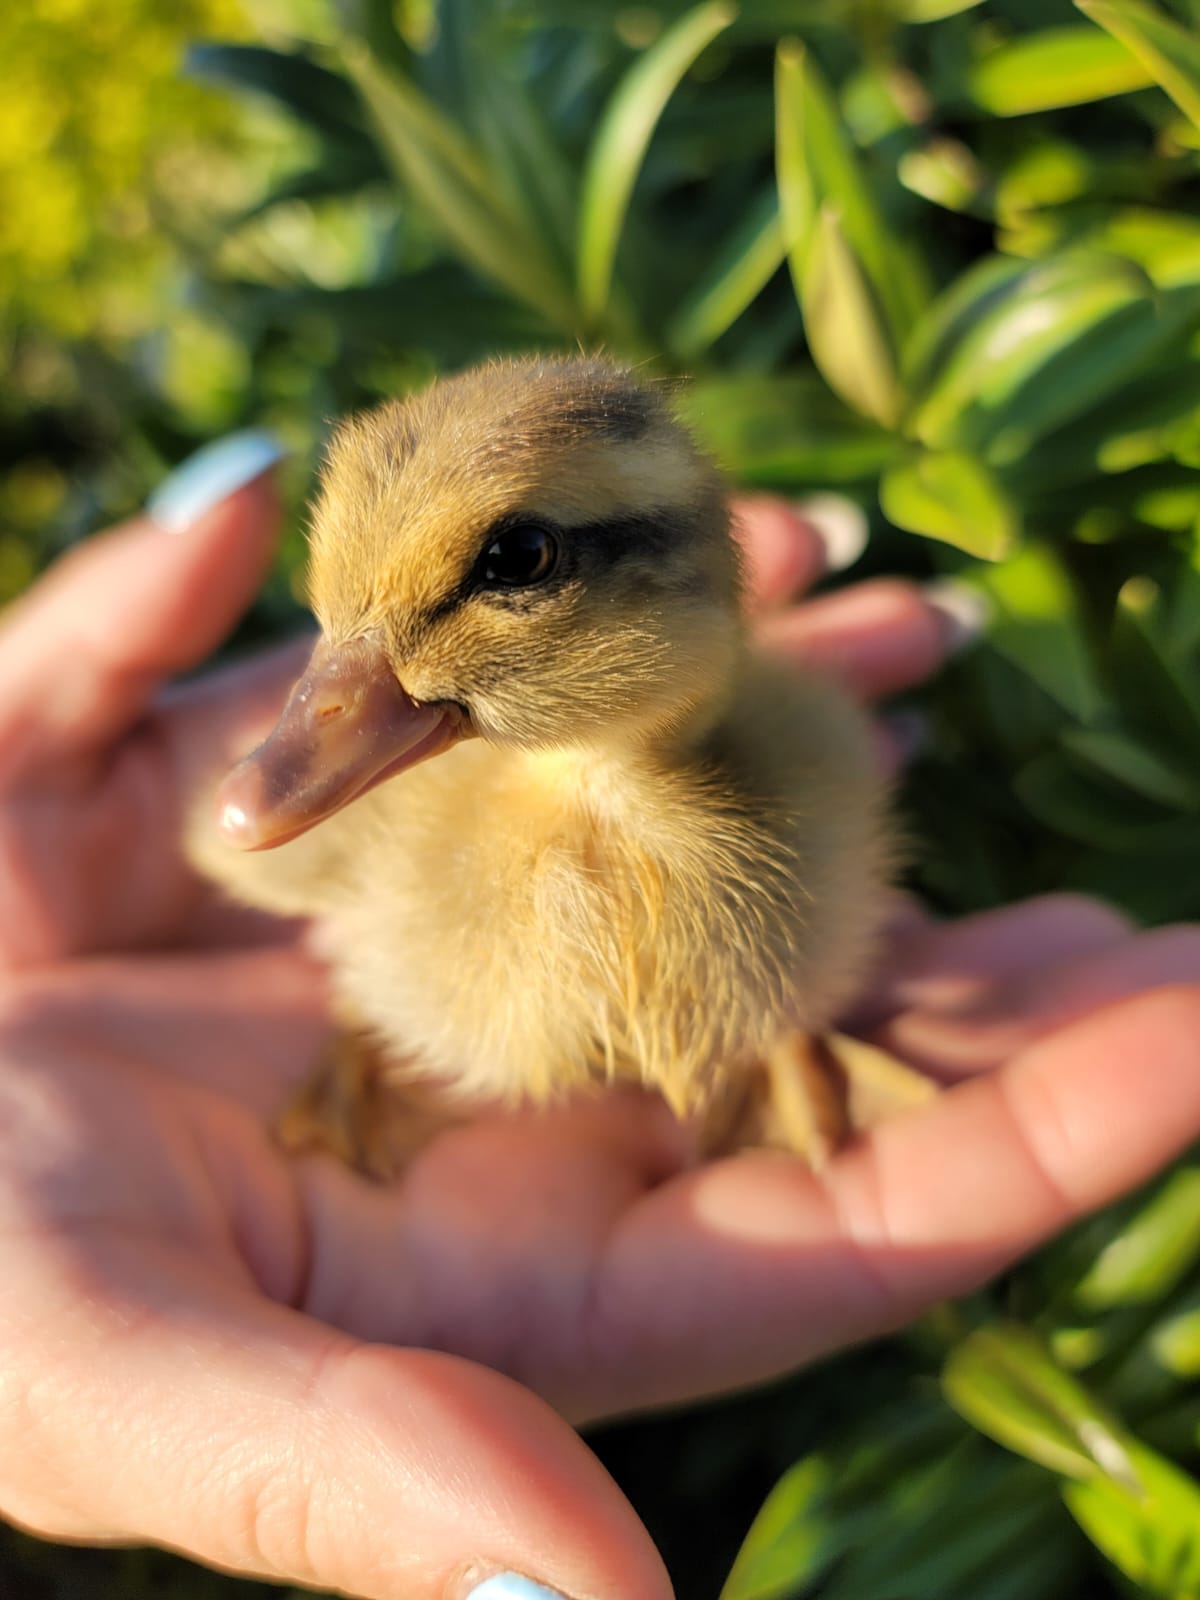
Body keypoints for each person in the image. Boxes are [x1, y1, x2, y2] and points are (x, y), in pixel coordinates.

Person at [0, 434, 1196, 1600]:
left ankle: (773, 1044)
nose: (299, 737)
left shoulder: (774, 773)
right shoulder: (413, 811)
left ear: (677, 559)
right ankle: (391, 1037)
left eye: (513, 565)